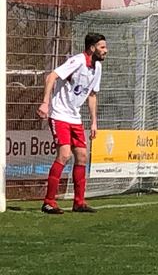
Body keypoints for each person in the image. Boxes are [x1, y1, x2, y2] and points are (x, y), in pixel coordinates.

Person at [36, 33, 107, 214]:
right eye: (102, 47)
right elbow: (51, 76)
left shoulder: (97, 67)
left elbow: (92, 95)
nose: (106, 51)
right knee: (65, 155)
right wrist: (45, 102)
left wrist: (93, 122)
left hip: (75, 117)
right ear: (92, 48)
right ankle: (49, 202)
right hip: (59, 114)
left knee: (82, 156)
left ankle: (79, 202)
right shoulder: (77, 61)